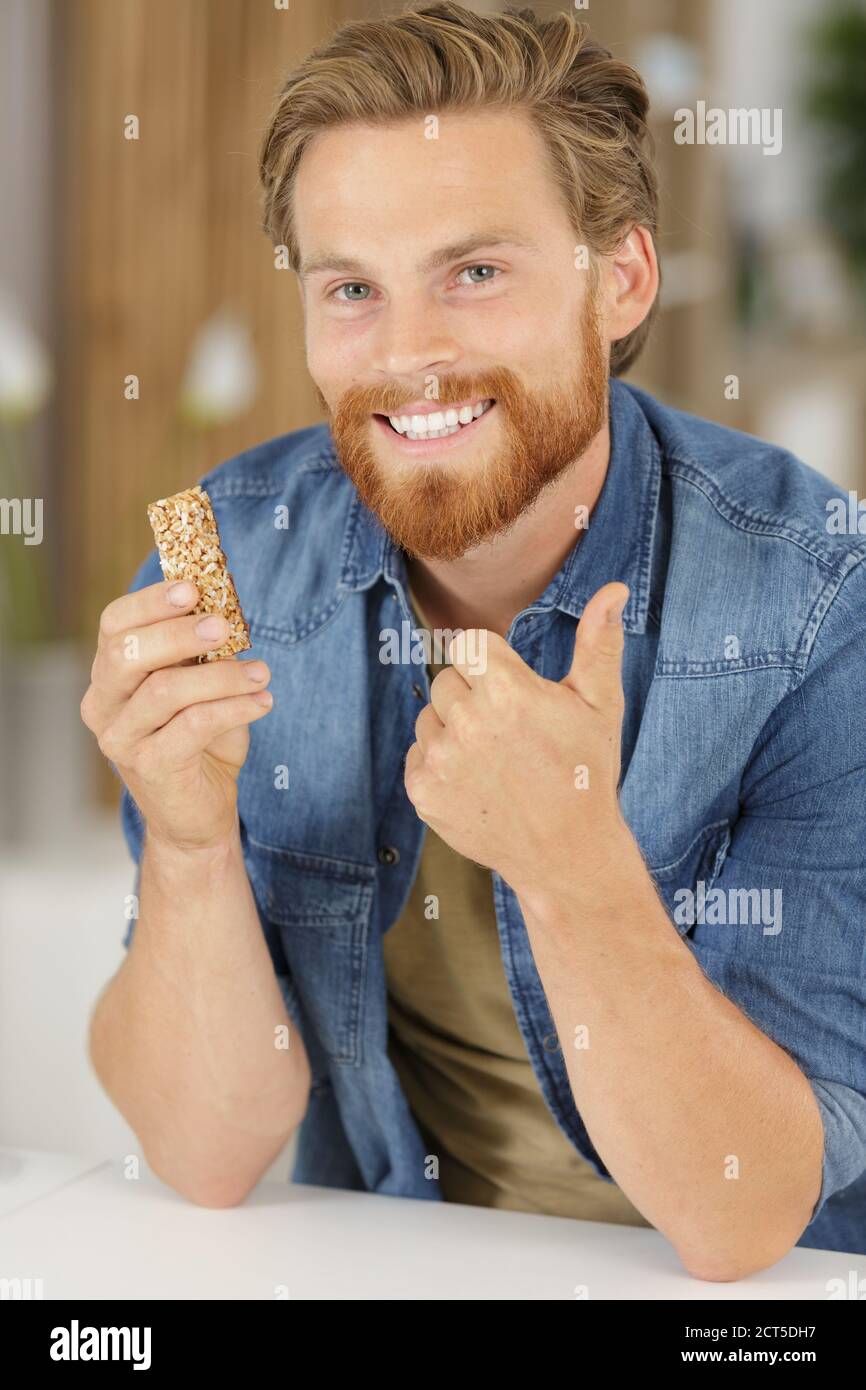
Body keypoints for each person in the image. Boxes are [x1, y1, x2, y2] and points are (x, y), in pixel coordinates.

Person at [81, 3, 866, 1280]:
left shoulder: (821, 607)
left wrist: (573, 869)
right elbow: (204, 1153)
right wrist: (184, 840)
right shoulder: (224, 566)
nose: (409, 355)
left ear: (617, 279)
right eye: (351, 288)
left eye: (476, 272)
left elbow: (744, 1219)